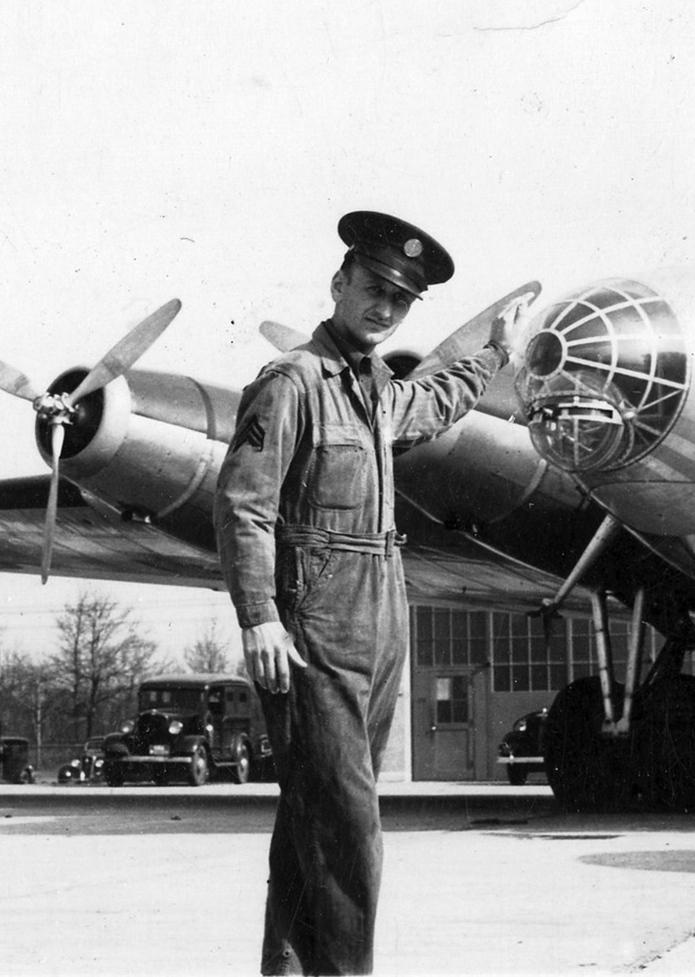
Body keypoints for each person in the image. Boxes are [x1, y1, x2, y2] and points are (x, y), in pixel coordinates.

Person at [214, 210, 528, 975]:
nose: (385, 307)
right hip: (315, 628)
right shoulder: (293, 382)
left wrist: (494, 354)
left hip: (381, 616)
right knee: (350, 824)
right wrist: (259, 616)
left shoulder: (377, 389)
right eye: (374, 288)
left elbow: (438, 399)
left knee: (313, 815)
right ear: (339, 284)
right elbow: (243, 504)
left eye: (401, 299)